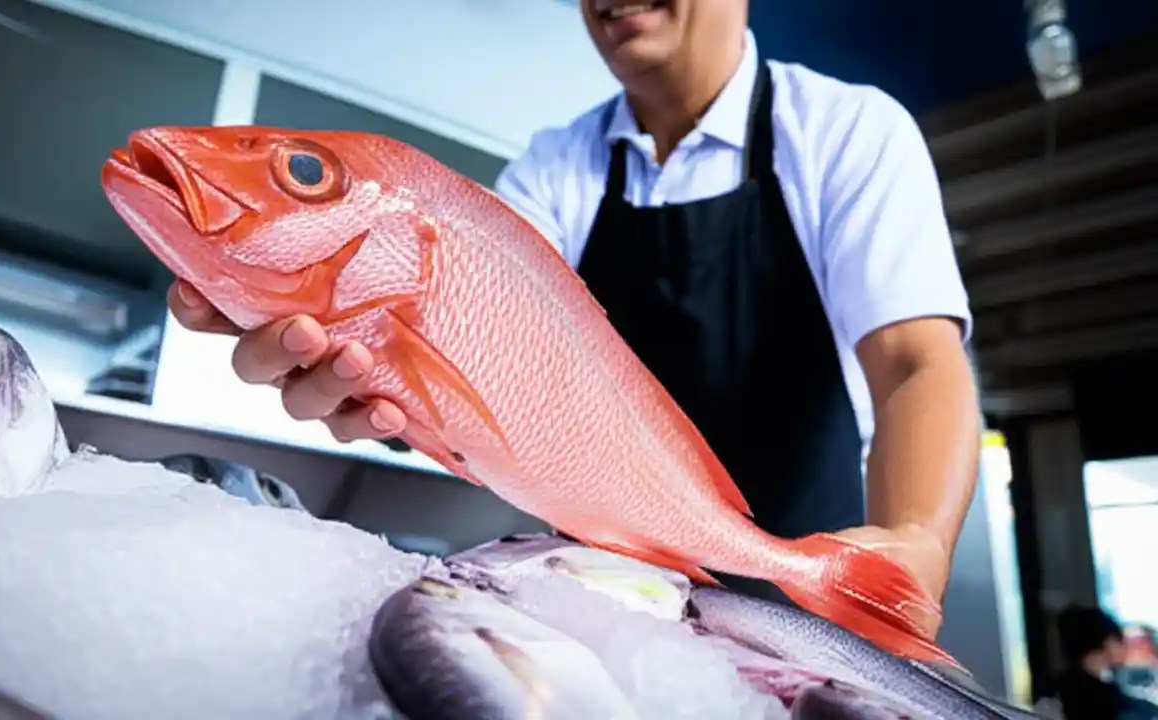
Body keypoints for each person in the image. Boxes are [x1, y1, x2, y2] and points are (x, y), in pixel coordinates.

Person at [168, 0, 980, 632]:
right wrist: (348, 349)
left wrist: (917, 540)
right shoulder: (555, 167)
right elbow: (459, 349)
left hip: (815, 602)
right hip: (610, 601)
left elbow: (915, 359)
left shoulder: (845, 131)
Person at [1055, 605, 1158, 720]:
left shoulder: (1056, 693)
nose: (1124, 647)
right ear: (1107, 641)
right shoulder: (1107, 699)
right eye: (1119, 640)